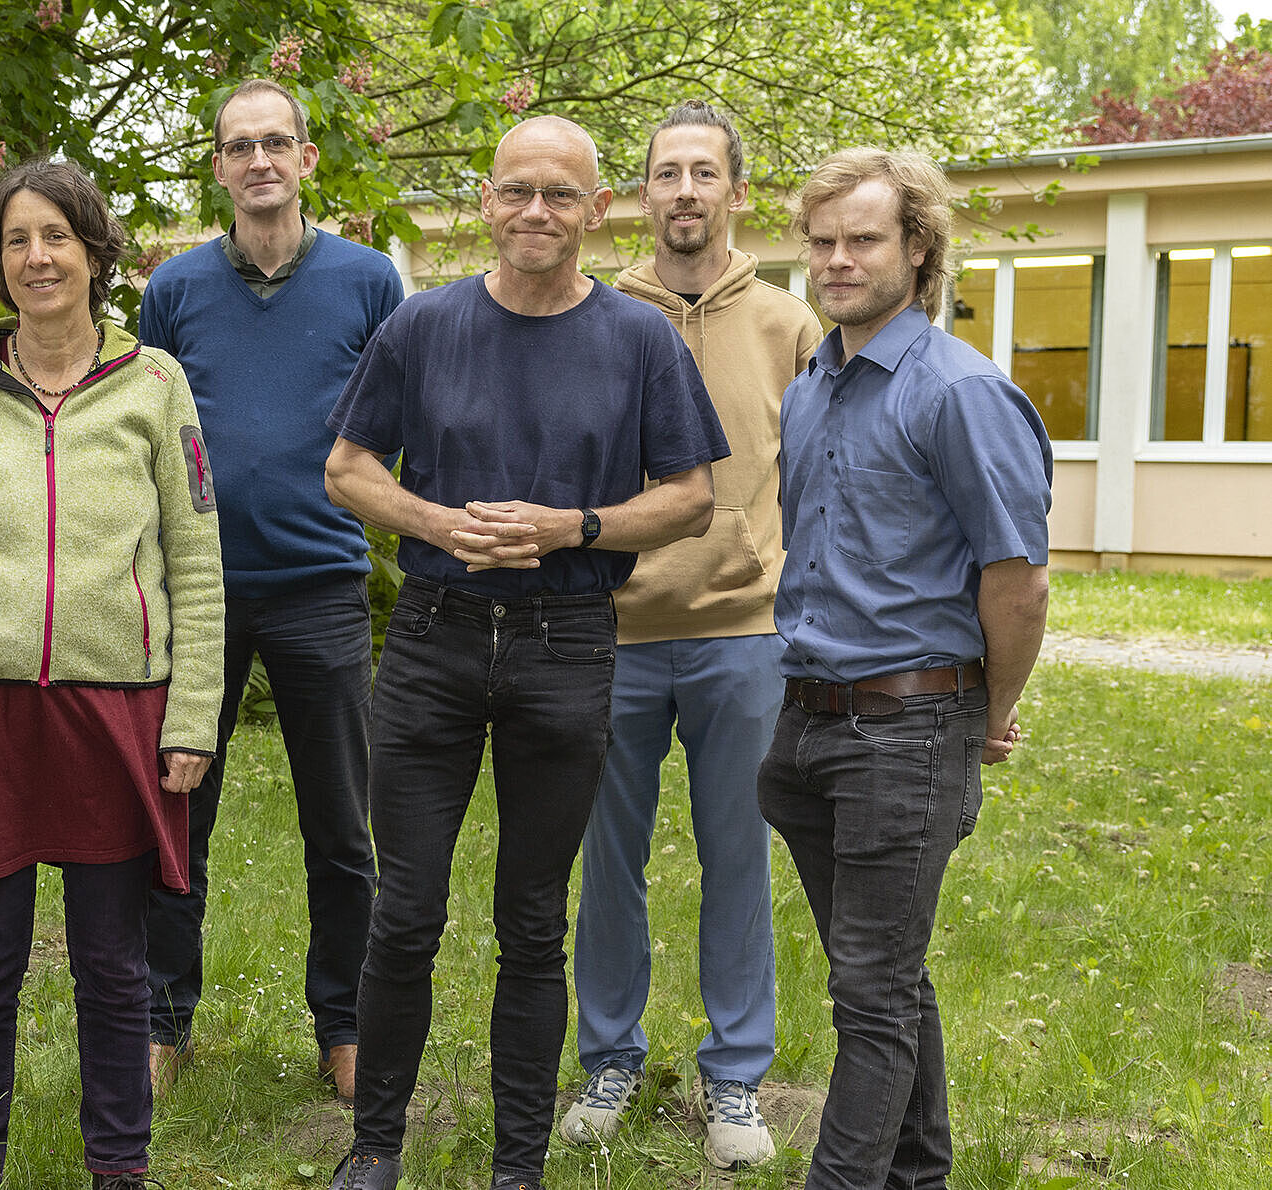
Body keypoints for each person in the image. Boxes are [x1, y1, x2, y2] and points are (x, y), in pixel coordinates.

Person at [319, 115, 728, 1190]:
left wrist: (572, 527)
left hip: (566, 641)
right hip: (431, 642)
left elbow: (691, 494)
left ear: (598, 209)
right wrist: (435, 521)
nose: (535, 212)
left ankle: (516, 1165)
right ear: (487, 201)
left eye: (559, 193)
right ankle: (373, 1145)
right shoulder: (423, 325)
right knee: (404, 913)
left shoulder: (639, 339)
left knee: (532, 920)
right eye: (515, 191)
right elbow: (347, 469)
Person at [0, 159, 223, 1190]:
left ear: (93, 253)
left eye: (56, 237)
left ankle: (118, 1162)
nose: (37, 257)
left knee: (111, 964)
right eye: (17, 240)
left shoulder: (154, 384)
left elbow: (197, 558)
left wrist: (192, 714)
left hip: (115, 704)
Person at [759, 148, 1050, 1190]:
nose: (835, 261)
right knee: (878, 976)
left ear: (915, 249)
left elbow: (1015, 583)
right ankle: (917, 1174)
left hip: (908, 727)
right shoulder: (810, 387)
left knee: (869, 996)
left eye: (862, 240)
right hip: (805, 728)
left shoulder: (960, 394)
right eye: (821, 241)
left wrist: (986, 712)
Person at [560, 99, 820, 1169]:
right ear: (640, 193)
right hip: (608, 634)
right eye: (665, 173)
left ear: (733, 192)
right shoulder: (593, 317)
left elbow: (819, 480)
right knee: (604, 863)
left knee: (736, 859)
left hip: (740, 635)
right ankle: (608, 1057)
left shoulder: (788, 325)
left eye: (701, 173)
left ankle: (734, 1078)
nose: (682, 191)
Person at [136, 77, 401, 1103]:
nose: (258, 161)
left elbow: (399, 420)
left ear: (305, 159)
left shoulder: (369, 280)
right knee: (175, 815)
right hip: (196, 589)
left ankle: (343, 1021)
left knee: (339, 822)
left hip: (321, 583)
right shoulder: (174, 290)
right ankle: (163, 1018)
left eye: (275, 143)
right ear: (216, 165)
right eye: (237, 145)